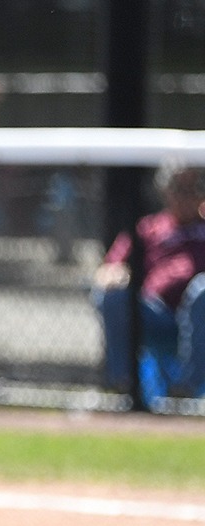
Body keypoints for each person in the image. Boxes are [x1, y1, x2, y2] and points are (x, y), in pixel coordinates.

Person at [93, 162, 205, 400]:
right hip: (156, 314)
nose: (186, 197)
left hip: (200, 315)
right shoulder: (149, 228)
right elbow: (108, 270)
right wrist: (118, 275)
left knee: (202, 290)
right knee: (114, 296)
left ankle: (186, 390)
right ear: (166, 192)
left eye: (194, 188)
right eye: (179, 189)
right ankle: (123, 387)